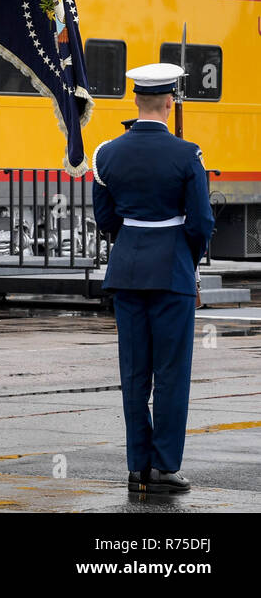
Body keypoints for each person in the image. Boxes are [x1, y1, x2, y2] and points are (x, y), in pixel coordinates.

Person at [93, 63, 214, 495]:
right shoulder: (187, 154)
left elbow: (106, 219)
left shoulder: (107, 153)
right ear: (169, 102)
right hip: (172, 273)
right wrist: (188, 258)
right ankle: (164, 466)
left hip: (126, 271)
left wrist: (131, 244)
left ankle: (137, 466)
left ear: (137, 102)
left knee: (135, 372)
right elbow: (200, 221)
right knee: (171, 373)